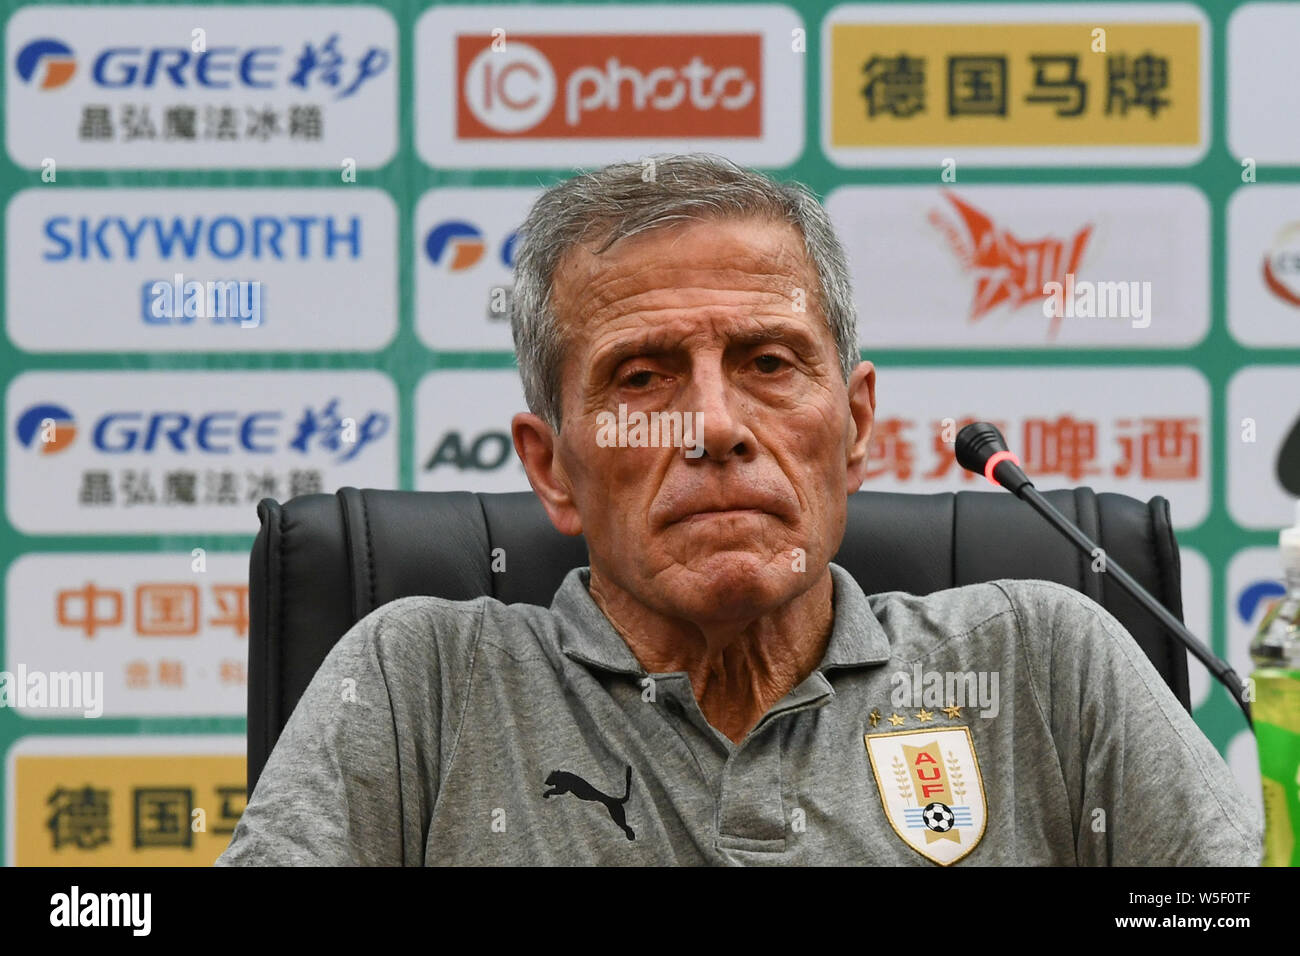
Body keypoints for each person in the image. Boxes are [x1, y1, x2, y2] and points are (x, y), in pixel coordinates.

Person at [218, 154, 1260, 865]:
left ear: (853, 427)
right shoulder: (418, 682)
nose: (714, 425)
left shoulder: (1046, 659)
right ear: (552, 469)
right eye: (641, 376)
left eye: (768, 362)